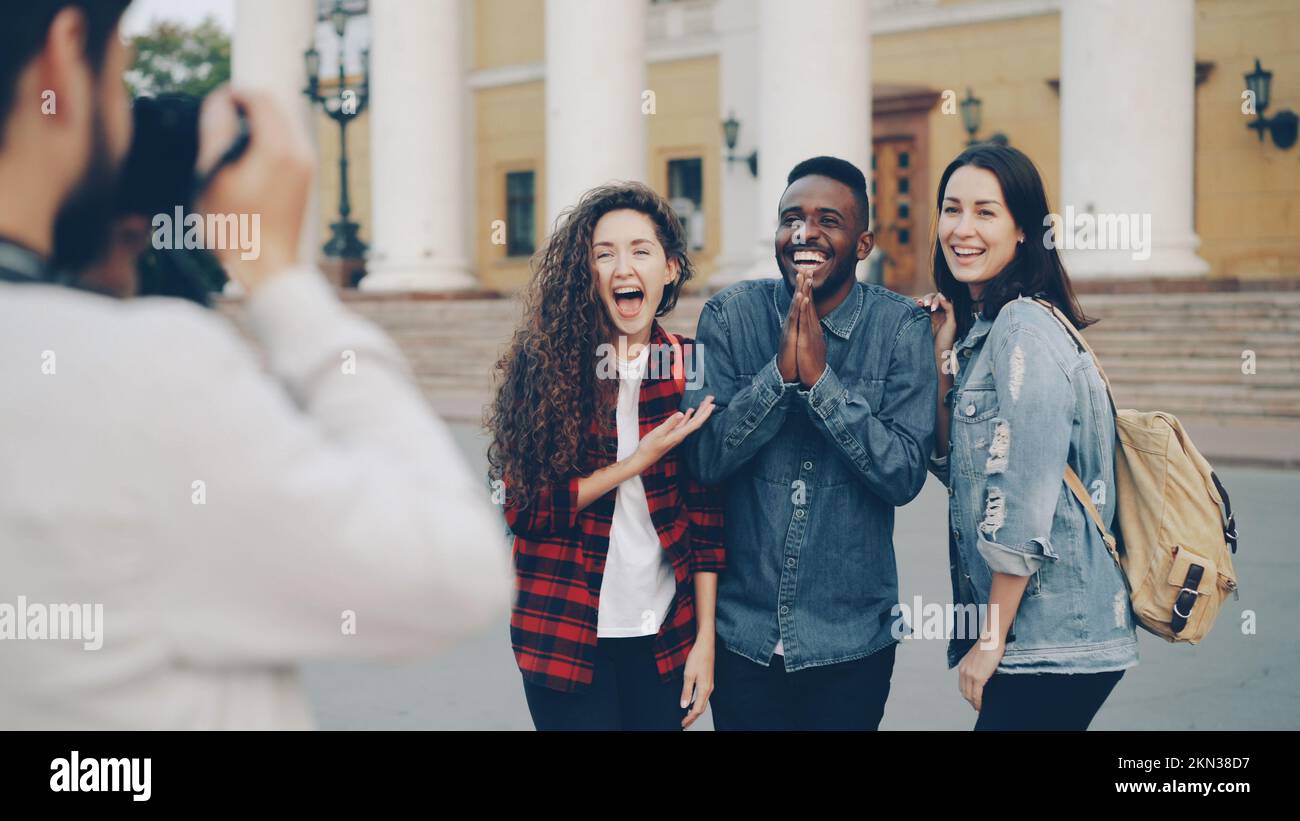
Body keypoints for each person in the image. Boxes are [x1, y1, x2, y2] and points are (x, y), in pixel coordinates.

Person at [0, 1, 512, 729]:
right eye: (120, 73)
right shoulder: (141, 372)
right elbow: (454, 571)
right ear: (64, 52)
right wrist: (278, 276)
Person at [680, 156, 936, 730]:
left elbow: (903, 475)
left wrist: (822, 386)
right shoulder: (728, 316)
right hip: (742, 637)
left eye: (829, 220)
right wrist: (777, 379)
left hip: (852, 645)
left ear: (863, 242)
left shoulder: (902, 330)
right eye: (792, 218)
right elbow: (703, 459)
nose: (806, 233)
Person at [487, 182, 725, 731]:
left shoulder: (692, 366)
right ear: (584, 272)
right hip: (563, 633)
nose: (623, 267)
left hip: (664, 638)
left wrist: (705, 643)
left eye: (641, 251)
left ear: (668, 269)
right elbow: (526, 511)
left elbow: (709, 520)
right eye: (604, 253)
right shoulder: (544, 367)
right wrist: (636, 462)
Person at [918, 143, 1138, 731]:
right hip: (1044, 636)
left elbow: (1023, 496)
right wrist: (943, 350)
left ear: (1022, 230)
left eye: (985, 212)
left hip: (1051, 636)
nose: (962, 229)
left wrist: (990, 638)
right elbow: (953, 465)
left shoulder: (1023, 326)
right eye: (952, 209)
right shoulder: (988, 330)